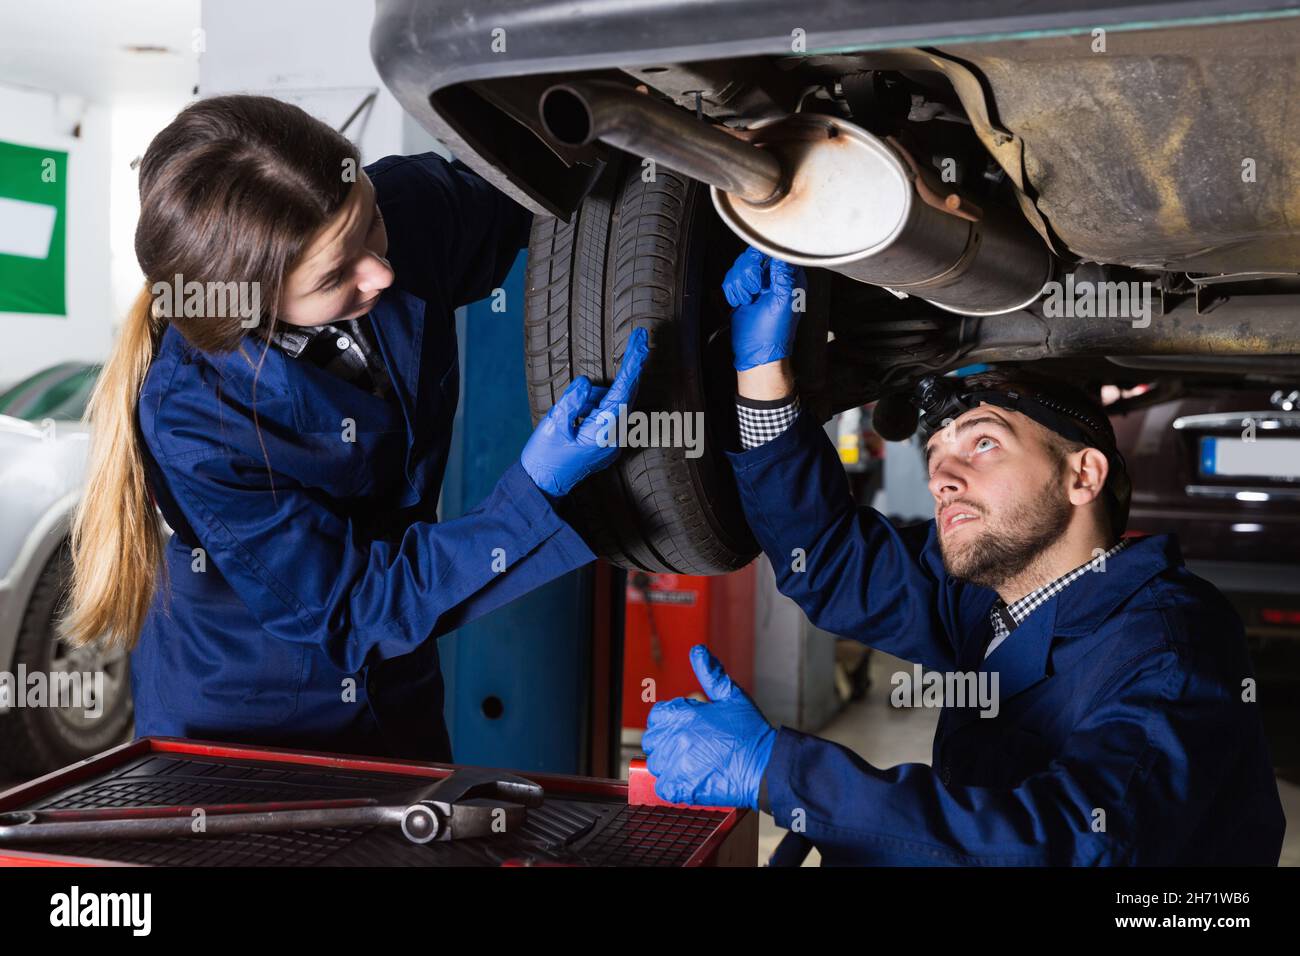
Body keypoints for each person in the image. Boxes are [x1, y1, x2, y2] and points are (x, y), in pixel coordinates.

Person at [642, 246, 1285, 865]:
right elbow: (832, 563)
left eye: (982, 444)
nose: (942, 477)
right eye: (936, 457)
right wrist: (761, 378)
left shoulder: (1169, 652)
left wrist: (784, 776)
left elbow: (1081, 847)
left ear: (1081, 477)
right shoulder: (998, 595)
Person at [64, 94, 647, 761]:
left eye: (367, 220)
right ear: (251, 309)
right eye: (336, 274)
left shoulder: (404, 213)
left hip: (399, 677)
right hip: (244, 718)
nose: (382, 269)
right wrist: (531, 493)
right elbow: (348, 609)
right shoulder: (196, 420)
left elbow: (547, 180)